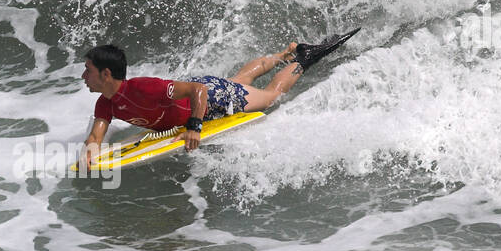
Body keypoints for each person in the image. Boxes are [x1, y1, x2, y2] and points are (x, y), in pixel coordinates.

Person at [79, 30, 358, 170]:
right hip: (209, 92)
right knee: (238, 81)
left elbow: (197, 91)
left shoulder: (143, 88)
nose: (83, 76)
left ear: (106, 73)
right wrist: (89, 153)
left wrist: (194, 127)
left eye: (88, 71)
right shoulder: (106, 103)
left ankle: (304, 58)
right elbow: (96, 134)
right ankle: (282, 54)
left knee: (270, 97)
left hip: (211, 98)